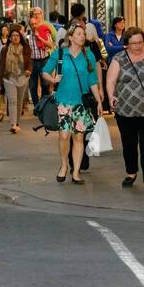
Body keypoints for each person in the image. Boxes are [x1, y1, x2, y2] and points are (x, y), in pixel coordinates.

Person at [41, 23, 102, 184]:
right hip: (63, 101)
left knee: (79, 138)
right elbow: (45, 71)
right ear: (70, 37)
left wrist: (99, 101)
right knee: (64, 135)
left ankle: (76, 172)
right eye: (79, 34)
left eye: (84, 34)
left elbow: (92, 80)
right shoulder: (60, 53)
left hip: (81, 103)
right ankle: (63, 165)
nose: (82, 36)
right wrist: (53, 79)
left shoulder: (88, 54)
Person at [106, 27, 144, 188]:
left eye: (141, 42)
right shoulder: (119, 59)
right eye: (134, 43)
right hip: (125, 112)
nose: (138, 46)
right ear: (126, 44)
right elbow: (111, 81)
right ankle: (131, 172)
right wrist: (110, 96)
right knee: (129, 145)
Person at [0, 27, 31, 134]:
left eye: (17, 35)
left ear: (20, 37)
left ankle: (17, 122)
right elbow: (1, 65)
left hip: (22, 78)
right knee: (12, 101)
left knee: (19, 102)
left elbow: (30, 63)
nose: (15, 38)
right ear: (10, 38)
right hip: (9, 78)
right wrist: (0, 82)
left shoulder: (26, 48)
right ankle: (13, 124)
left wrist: (28, 70)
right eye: (13, 36)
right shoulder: (5, 50)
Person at [29, 8, 55, 111]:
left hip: (44, 60)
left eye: (38, 14)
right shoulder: (27, 34)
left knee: (45, 84)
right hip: (32, 62)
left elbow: (51, 44)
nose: (34, 25)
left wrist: (40, 38)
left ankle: (43, 106)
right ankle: (36, 106)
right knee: (32, 85)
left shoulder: (45, 28)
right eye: (32, 24)